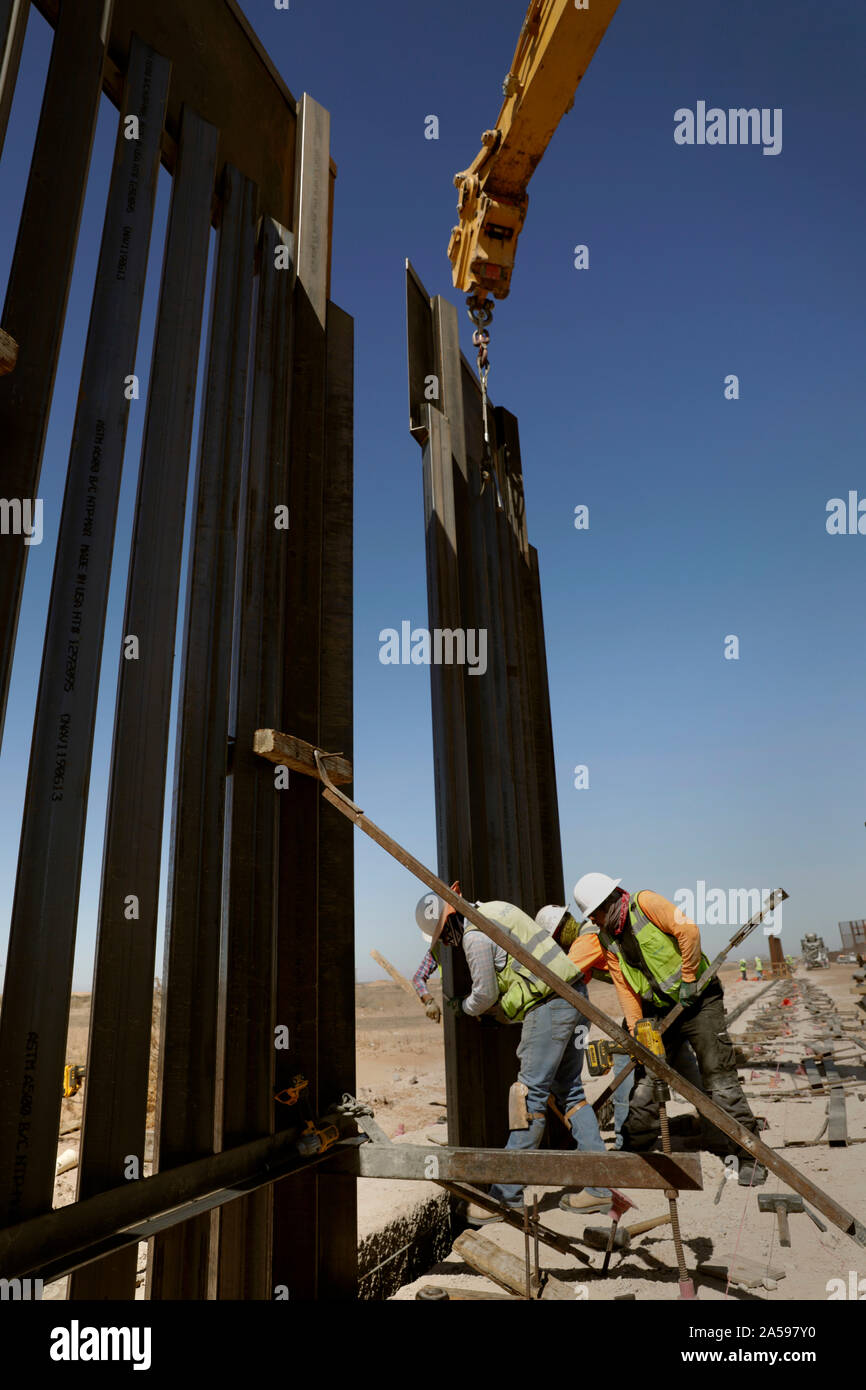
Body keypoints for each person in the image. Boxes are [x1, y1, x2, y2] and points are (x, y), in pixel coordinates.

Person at [564, 872, 767, 1186]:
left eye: (594, 913)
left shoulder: (645, 903)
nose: (592, 919)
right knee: (646, 1084)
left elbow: (688, 930)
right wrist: (638, 1032)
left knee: (719, 1079)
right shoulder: (608, 937)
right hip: (661, 1012)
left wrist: (688, 978)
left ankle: (749, 1157)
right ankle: (633, 1152)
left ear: (606, 904)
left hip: (699, 1000)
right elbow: (624, 988)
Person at [428, 895, 613, 1220]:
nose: (447, 943)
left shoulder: (473, 933)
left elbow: (485, 993)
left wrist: (464, 1007)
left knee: (528, 1095)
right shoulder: (496, 909)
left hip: (550, 1005)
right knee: (570, 1092)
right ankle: (599, 1188)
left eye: (444, 935)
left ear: (450, 921)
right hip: (574, 997)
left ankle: (505, 1195)